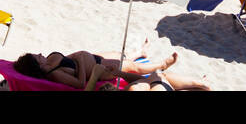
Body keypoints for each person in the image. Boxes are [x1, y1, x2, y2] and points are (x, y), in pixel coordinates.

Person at [12, 49, 210, 91]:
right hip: (98, 70)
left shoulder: (51, 59)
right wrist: (81, 63)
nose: (39, 54)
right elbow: (81, 84)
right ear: (36, 65)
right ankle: (161, 66)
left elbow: (70, 57)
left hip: (93, 57)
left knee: (121, 56)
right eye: (36, 57)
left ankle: (140, 51)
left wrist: (78, 56)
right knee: (132, 67)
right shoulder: (54, 73)